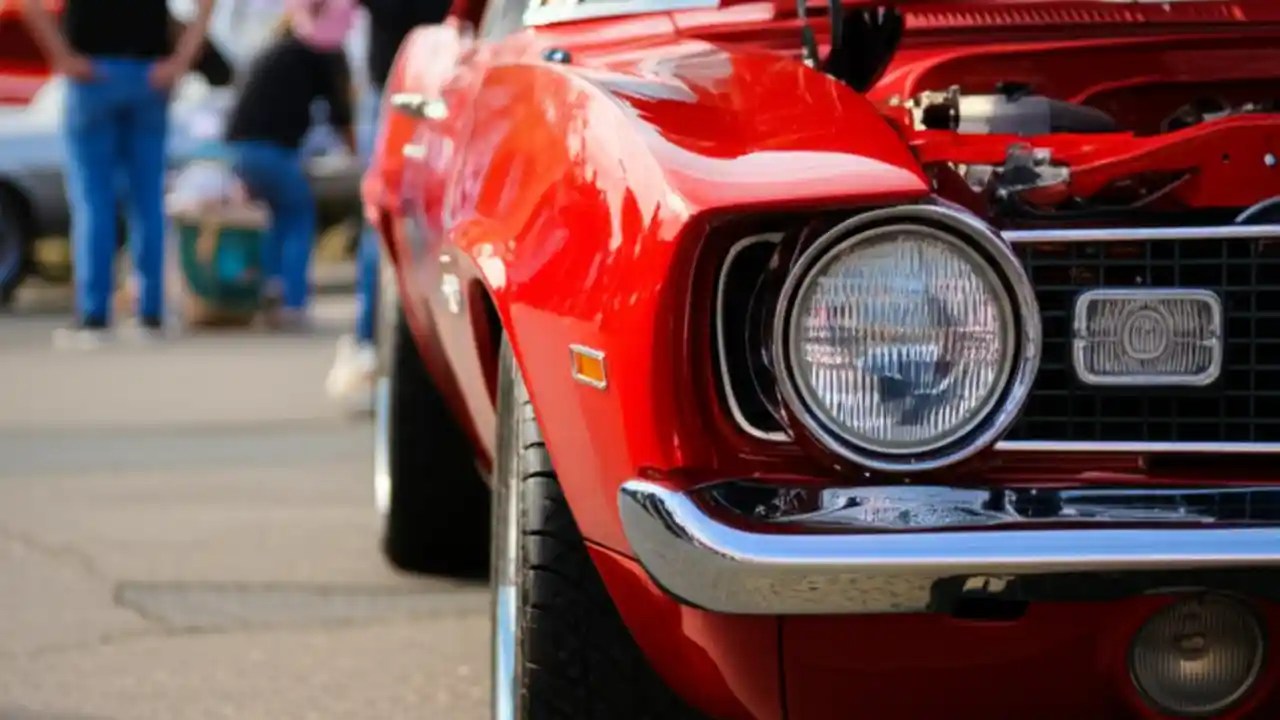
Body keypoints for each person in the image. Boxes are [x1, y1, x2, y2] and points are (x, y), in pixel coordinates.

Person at [22, 0, 216, 346]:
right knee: (147, 200)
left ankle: (95, 316)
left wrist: (61, 56)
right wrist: (180, 61)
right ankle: (151, 312)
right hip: (147, 75)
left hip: (93, 74)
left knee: (93, 200)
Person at [325, 0, 452, 406]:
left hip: (399, 88)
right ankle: (417, 348)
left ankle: (370, 344)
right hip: (445, 80)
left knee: (382, 217)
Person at [223, 0, 357, 331]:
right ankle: (293, 301)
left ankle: (271, 285)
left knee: (277, 218)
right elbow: (342, 116)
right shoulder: (321, 54)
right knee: (299, 215)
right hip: (271, 151)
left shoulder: (277, 49)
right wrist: (359, 159)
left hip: (240, 149)